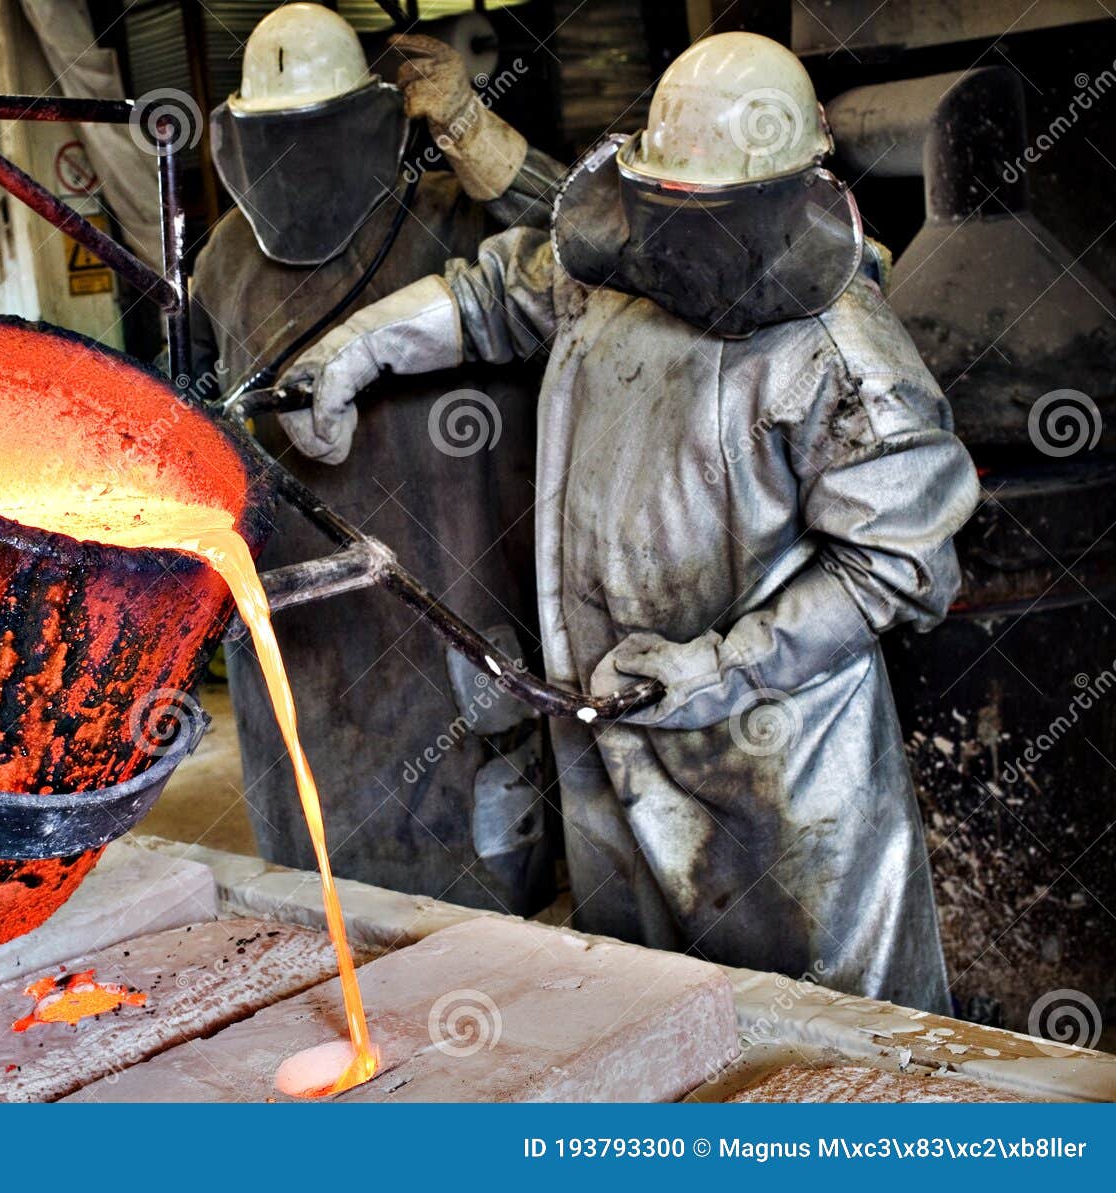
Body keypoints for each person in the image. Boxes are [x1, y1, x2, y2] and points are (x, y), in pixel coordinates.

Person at [275, 31, 980, 1011]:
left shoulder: (843, 359)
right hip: (605, 732)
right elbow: (490, 297)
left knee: (821, 1045)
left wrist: (720, 669)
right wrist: (357, 348)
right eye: (664, 202)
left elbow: (898, 570)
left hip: (775, 780)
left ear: (783, 195)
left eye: (705, 212)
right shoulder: (615, 262)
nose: (676, 238)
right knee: (644, 1018)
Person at [191, 4, 564, 913]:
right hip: (302, 636)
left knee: (486, 925)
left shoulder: (458, 221)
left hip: (457, 623)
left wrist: (480, 137)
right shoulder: (221, 264)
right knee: (321, 907)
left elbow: (606, 253)